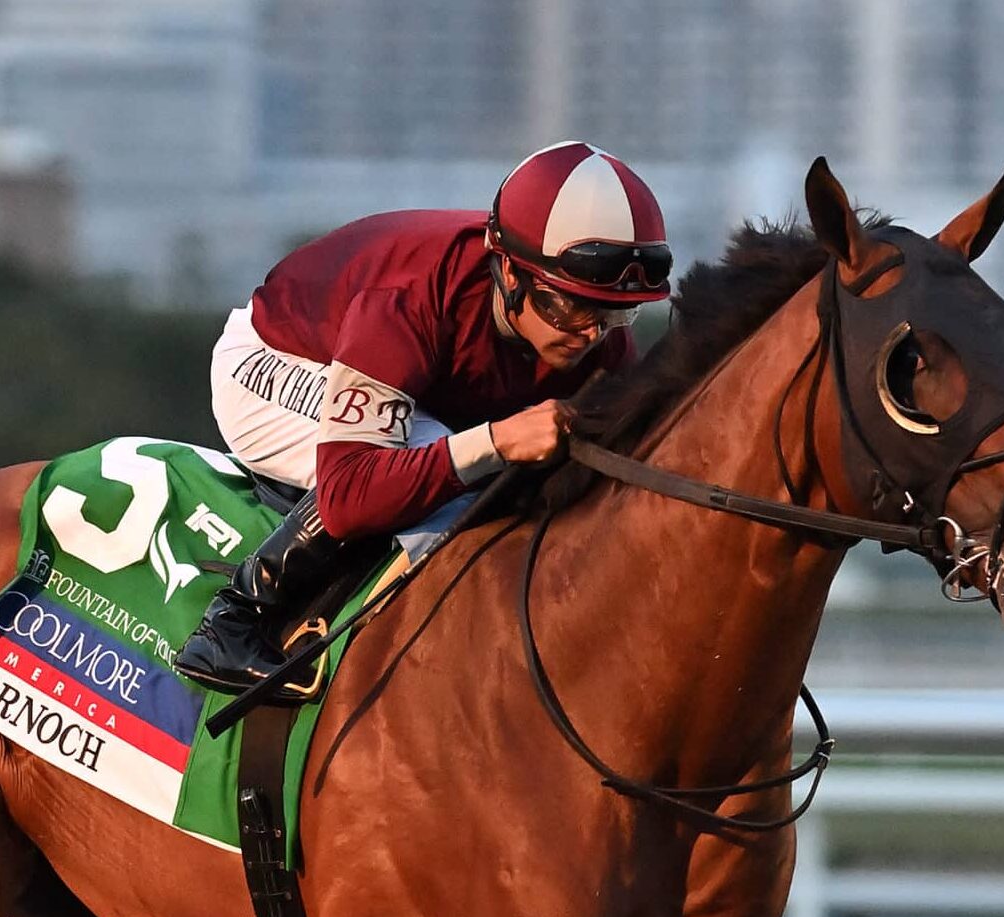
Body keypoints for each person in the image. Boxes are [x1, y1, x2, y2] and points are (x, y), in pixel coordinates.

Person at [174, 140, 672, 694]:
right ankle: (234, 619)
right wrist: (498, 441)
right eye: (572, 305)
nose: (591, 333)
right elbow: (349, 495)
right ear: (510, 272)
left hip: (402, 383)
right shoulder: (412, 296)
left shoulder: (599, 337)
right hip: (272, 361)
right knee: (443, 464)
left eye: (616, 313)